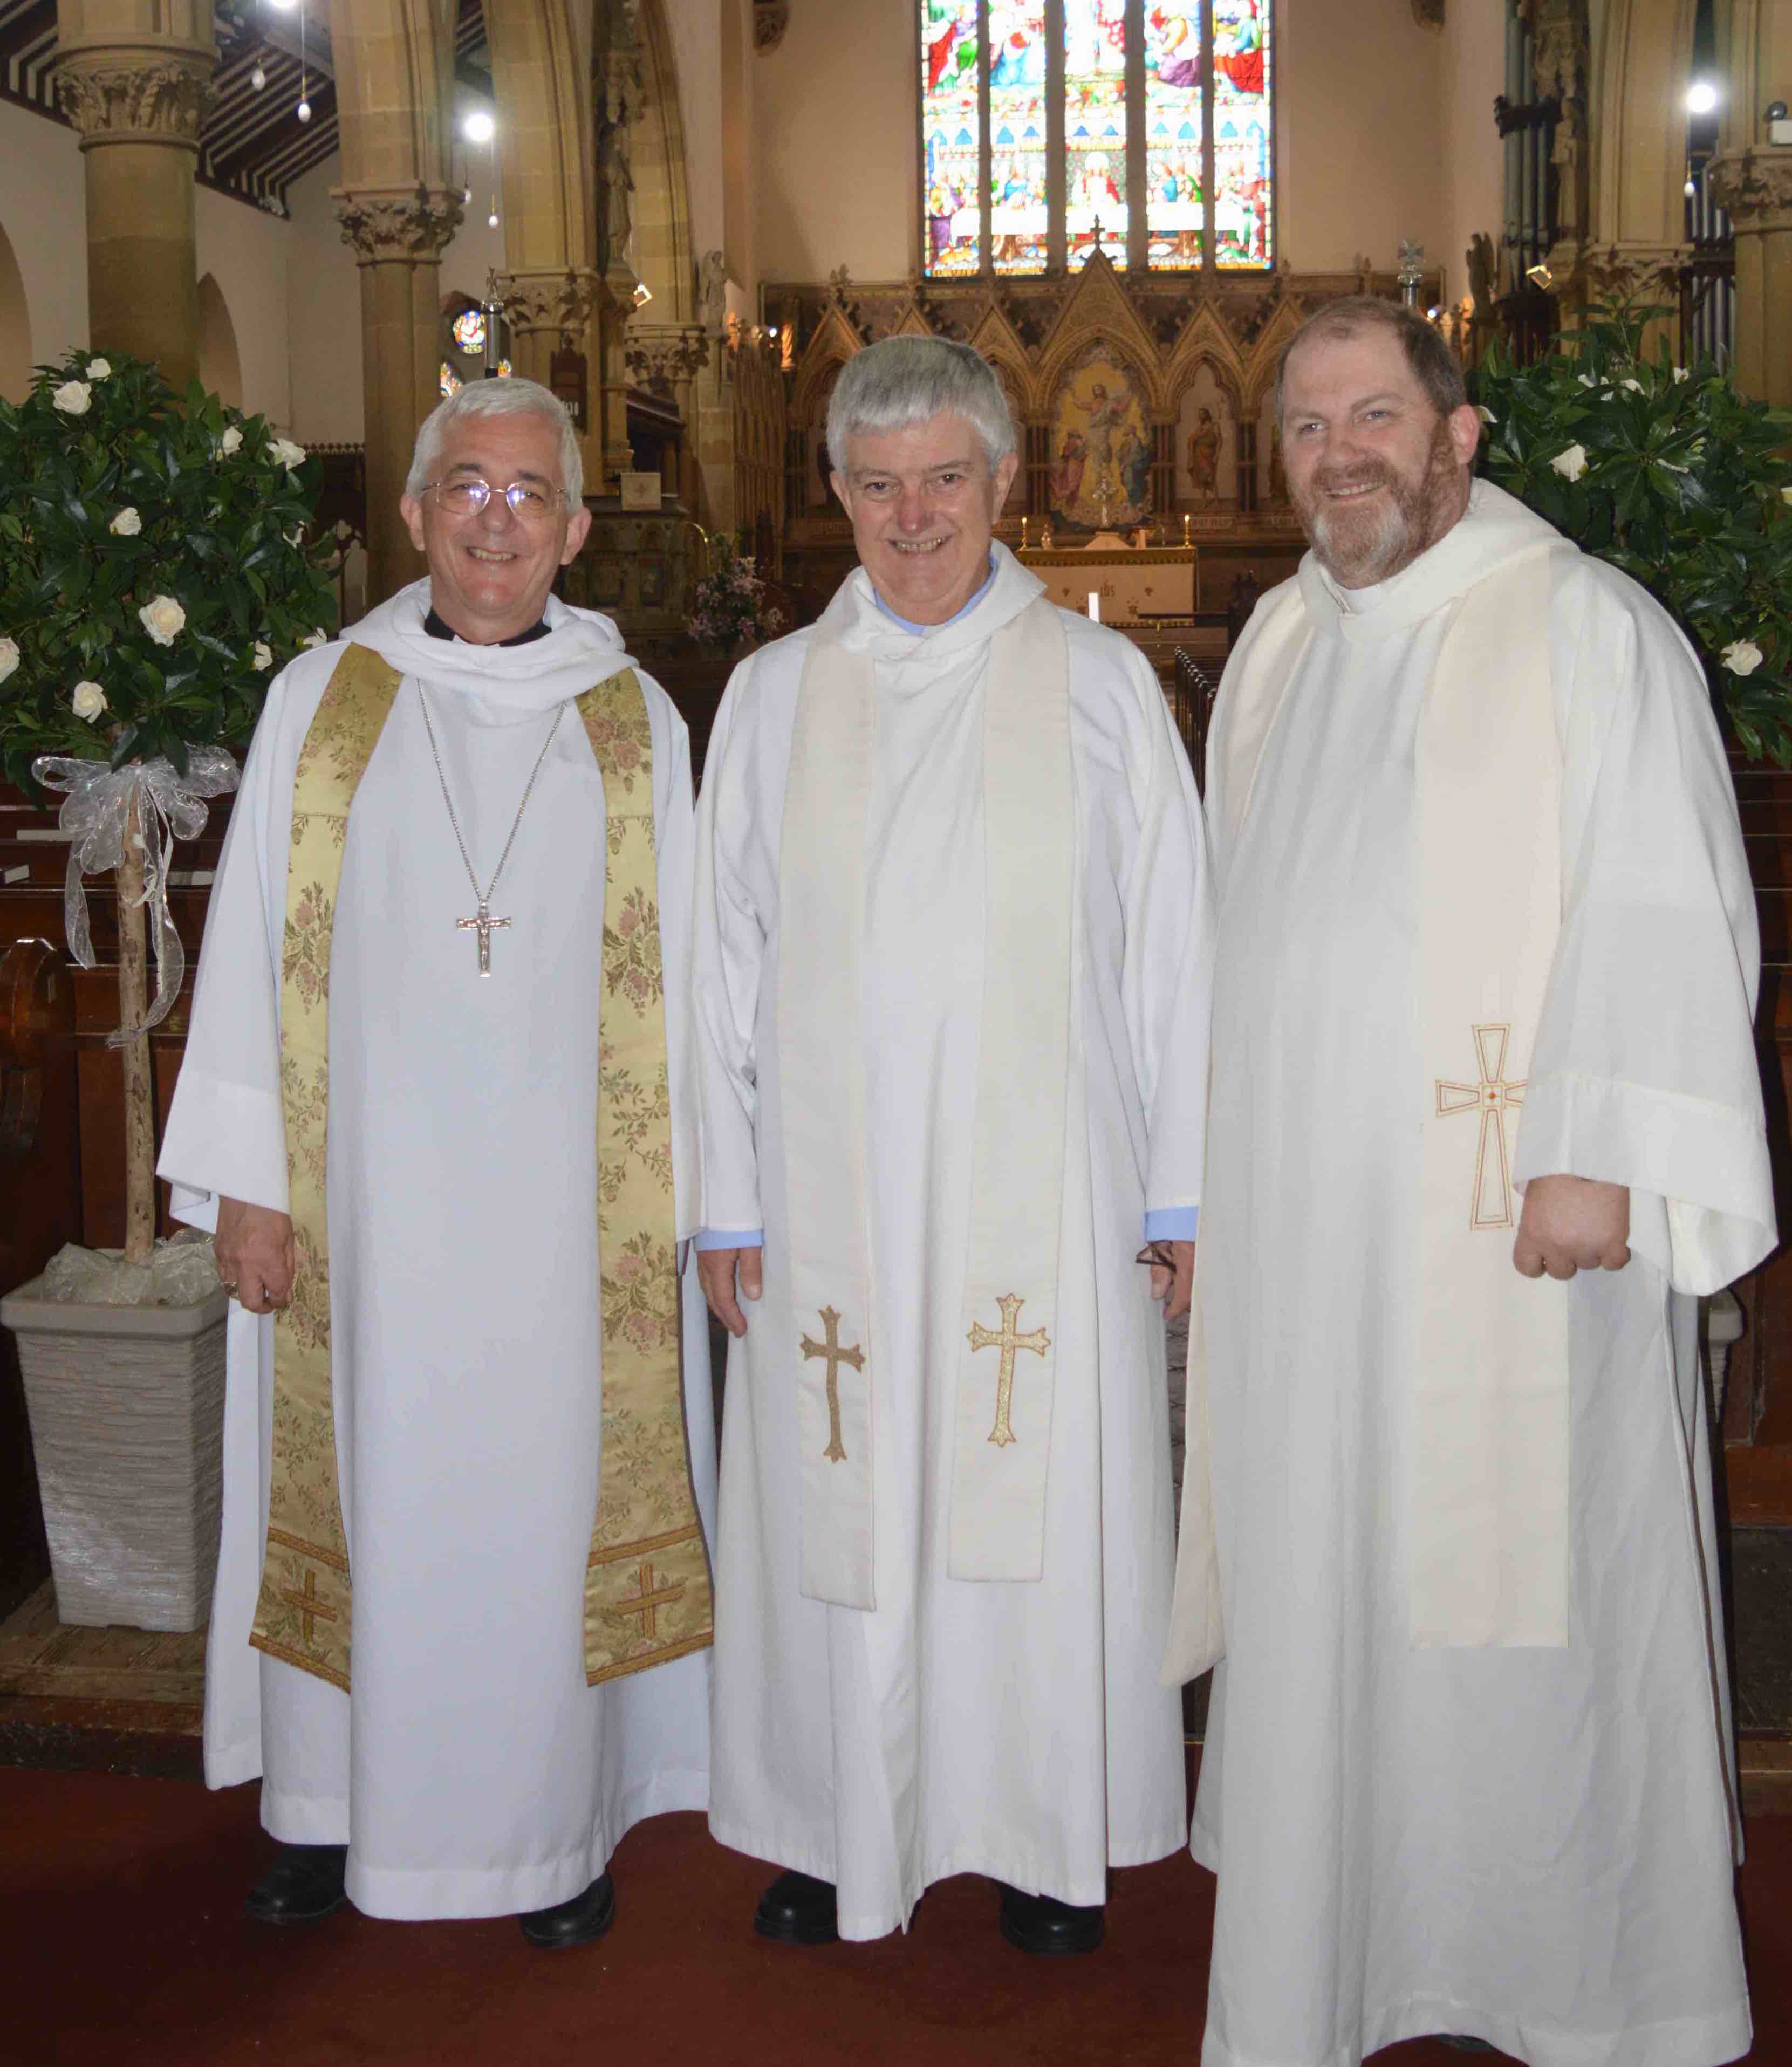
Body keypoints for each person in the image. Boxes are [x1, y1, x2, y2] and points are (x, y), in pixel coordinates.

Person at [1169, 299, 1777, 2066]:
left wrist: (1592, 1151)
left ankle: (1565, 1970)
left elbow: (1664, 896)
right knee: (1333, 1568)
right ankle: (1334, 1946)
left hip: (1508, 1234)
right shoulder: (1282, 642)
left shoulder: (1584, 623)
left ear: (1461, 434)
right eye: (1306, 425)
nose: (1338, 451)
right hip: (1310, 1237)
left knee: (1522, 1589)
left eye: (1375, 415)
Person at [158, 377, 714, 1947]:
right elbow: (253, 948)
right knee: (358, 1487)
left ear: (578, 531)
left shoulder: (638, 720)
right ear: (410, 515)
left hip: (565, 1234)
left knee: (540, 1520)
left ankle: (561, 1830)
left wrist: (696, 1201)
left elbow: (695, 979)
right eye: (465, 485)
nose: (495, 517)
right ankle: (329, 1814)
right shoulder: (322, 700)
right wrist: (247, 1182)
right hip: (363, 1223)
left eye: (530, 494)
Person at [692, 336, 1212, 1953]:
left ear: (1004, 487)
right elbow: (718, 959)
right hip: (825, 1200)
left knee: (1031, 1509)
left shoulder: (1105, 683)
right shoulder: (776, 696)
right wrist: (724, 1204)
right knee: (841, 1506)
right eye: (879, 483)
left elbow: (1176, 948)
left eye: (945, 478)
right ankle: (832, 1821)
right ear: (837, 494)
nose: (913, 514)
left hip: (1052, 1199)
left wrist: (1183, 1191)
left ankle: (1042, 1837)